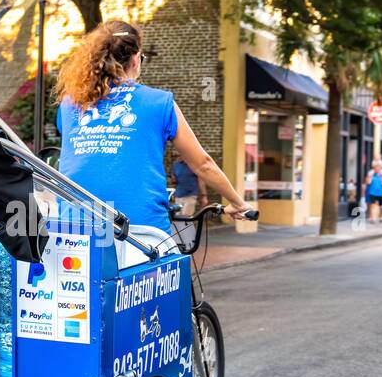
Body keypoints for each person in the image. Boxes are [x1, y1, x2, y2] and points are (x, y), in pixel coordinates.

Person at [54, 20, 251, 239]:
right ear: (136, 59)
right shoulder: (159, 102)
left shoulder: (70, 103)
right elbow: (203, 164)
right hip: (140, 231)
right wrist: (237, 203)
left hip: (74, 227)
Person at [364, 158, 382, 223]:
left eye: (378, 168)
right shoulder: (371, 175)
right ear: (374, 168)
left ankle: (381, 217)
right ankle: (372, 218)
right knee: (372, 205)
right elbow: (368, 182)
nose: (377, 169)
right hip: (372, 192)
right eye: (376, 168)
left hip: (380, 193)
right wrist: (370, 176)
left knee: (381, 206)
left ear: (380, 169)